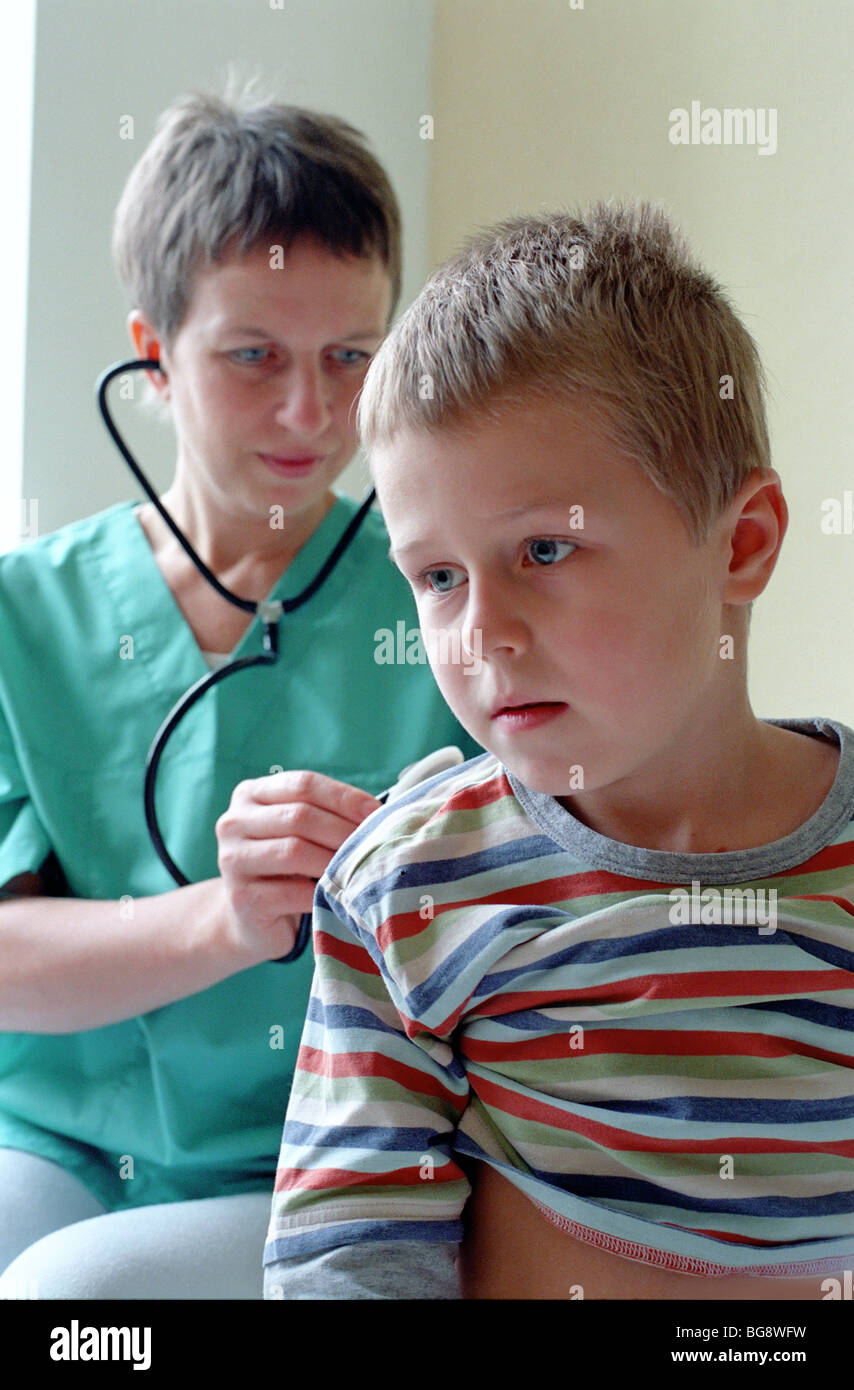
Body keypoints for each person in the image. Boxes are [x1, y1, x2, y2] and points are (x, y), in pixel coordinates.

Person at [262, 201, 854, 1300]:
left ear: (741, 543)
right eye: (436, 576)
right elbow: (351, 1263)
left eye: (544, 548)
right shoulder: (407, 886)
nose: (479, 633)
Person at [0, 90, 481, 1299]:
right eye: (254, 356)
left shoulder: (444, 603)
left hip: (318, 1153)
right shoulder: (24, 612)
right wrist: (230, 917)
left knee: (71, 1301)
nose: (310, 415)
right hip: (55, 1140)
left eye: (349, 359)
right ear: (154, 352)